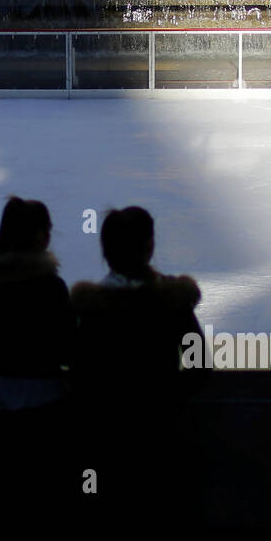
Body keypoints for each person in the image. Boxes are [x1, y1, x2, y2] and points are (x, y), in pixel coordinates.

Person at [69, 207, 203, 506]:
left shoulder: (89, 310)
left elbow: (79, 371)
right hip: (162, 437)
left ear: (106, 250)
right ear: (149, 247)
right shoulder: (174, 302)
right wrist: (166, 400)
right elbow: (199, 365)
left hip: (107, 440)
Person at [0, 197, 76, 516]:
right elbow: (70, 349)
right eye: (48, 230)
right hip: (50, 401)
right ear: (38, 236)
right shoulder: (52, 286)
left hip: (1, 397)